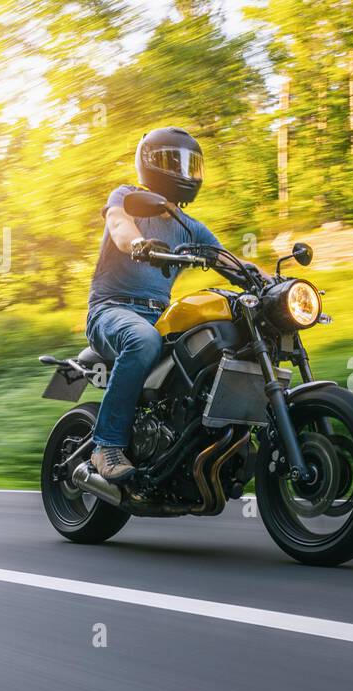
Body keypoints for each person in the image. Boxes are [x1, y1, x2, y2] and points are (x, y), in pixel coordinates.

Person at [85, 126, 221, 483]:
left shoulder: (190, 228)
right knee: (142, 339)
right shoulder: (127, 197)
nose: (182, 171)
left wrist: (278, 286)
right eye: (172, 161)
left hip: (160, 317)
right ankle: (106, 446)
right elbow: (119, 225)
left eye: (190, 164)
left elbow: (233, 262)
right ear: (149, 163)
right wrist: (138, 244)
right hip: (112, 309)